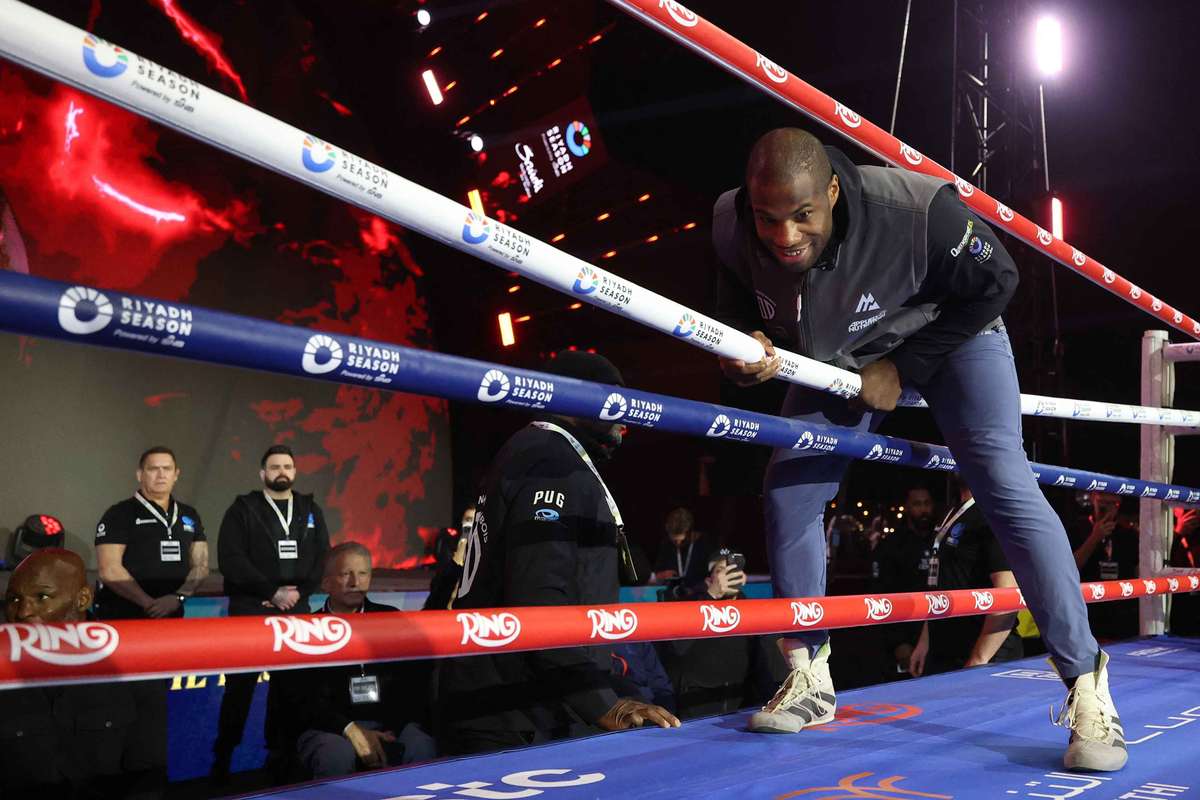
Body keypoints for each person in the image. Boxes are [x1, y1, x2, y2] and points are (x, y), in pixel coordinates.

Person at [711, 127, 1123, 770]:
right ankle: (810, 673)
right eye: (769, 219)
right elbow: (740, 303)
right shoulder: (731, 222)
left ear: (832, 190)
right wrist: (744, 349)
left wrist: (903, 367)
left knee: (1003, 482)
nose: (785, 236)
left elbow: (1000, 279)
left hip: (954, 336)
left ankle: (1088, 687)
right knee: (790, 482)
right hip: (847, 355)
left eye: (801, 216)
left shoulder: (918, 210)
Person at [438, 351, 680, 755]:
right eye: (614, 400)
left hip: (516, 698)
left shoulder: (537, 451)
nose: (626, 416)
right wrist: (602, 703)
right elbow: (540, 598)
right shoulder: (551, 461)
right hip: (511, 710)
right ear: (575, 400)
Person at [1, 548, 165, 799]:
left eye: (42, 596)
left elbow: (147, 778)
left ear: (82, 599)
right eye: (13, 599)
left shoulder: (132, 667)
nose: (23, 612)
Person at [212, 444, 331, 781]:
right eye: (275, 466)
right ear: (262, 473)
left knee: (292, 689)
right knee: (240, 688)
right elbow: (231, 558)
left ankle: (283, 758)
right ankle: (221, 762)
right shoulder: (243, 508)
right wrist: (271, 592)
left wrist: (296, 594)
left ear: (294, 472)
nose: (282, 471)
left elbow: (323, 555)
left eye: (288, 466)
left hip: (298, 608)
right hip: (251, 609)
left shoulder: (310, 508)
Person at [270, 542, 435, 778]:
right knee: (335, 754)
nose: (355, 582)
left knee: (421, 745)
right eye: (346, 574)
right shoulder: (307, 630)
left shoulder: (390, 620)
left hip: (388, 723)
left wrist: (391, 728)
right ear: (326, 583)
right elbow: (304, 702)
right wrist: (348, 729)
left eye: (363, 573)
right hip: (330, 728)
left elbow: (411, 684)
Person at [908, 480, 1022, 677]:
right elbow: (941, 582)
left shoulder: (994, 511)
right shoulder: (952, 511)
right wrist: (925, 641)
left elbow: (1008, 592)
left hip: (986, 654)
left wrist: (979, 658)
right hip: (947, 650)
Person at [94, 446, 208, 620]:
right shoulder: (119, 513)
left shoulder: (189, 514)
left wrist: (178, 597)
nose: (161, 475)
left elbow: (201, 566)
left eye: (167, 469)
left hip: (172, 611)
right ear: (140, 475)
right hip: (124, 614)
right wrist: (149, 604)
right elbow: (109, 569)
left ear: (176, 475)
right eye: (154, 469)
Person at [870, 486, 938, 676]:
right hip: (905, 633)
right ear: (907, 507)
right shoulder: (891, 546)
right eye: (917, 504)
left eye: (927, 503)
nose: (923, 510)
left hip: (938, 635)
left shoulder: (940, 541)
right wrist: (898, 642)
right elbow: (882, 595)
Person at [1068, 493, 1140, 641]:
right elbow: (1069, 567)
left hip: (1121, 615)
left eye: (1112, 504)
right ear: (1093, 499)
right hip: (1087, 612)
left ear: (1119, 505)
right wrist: (1095, 538)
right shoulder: (1077, 528)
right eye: (1103, 503)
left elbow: (1138, 571)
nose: (1107, 508)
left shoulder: (1128, 534)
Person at [651, 507, 714, 594]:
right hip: (672, 595)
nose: (678, 544)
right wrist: (662, 575)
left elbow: (711, 577)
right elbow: (655, 574)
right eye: (675, 541)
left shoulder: (706, 544)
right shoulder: (666, 545)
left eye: (682, 541)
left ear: (692, 532)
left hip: (700, 595)